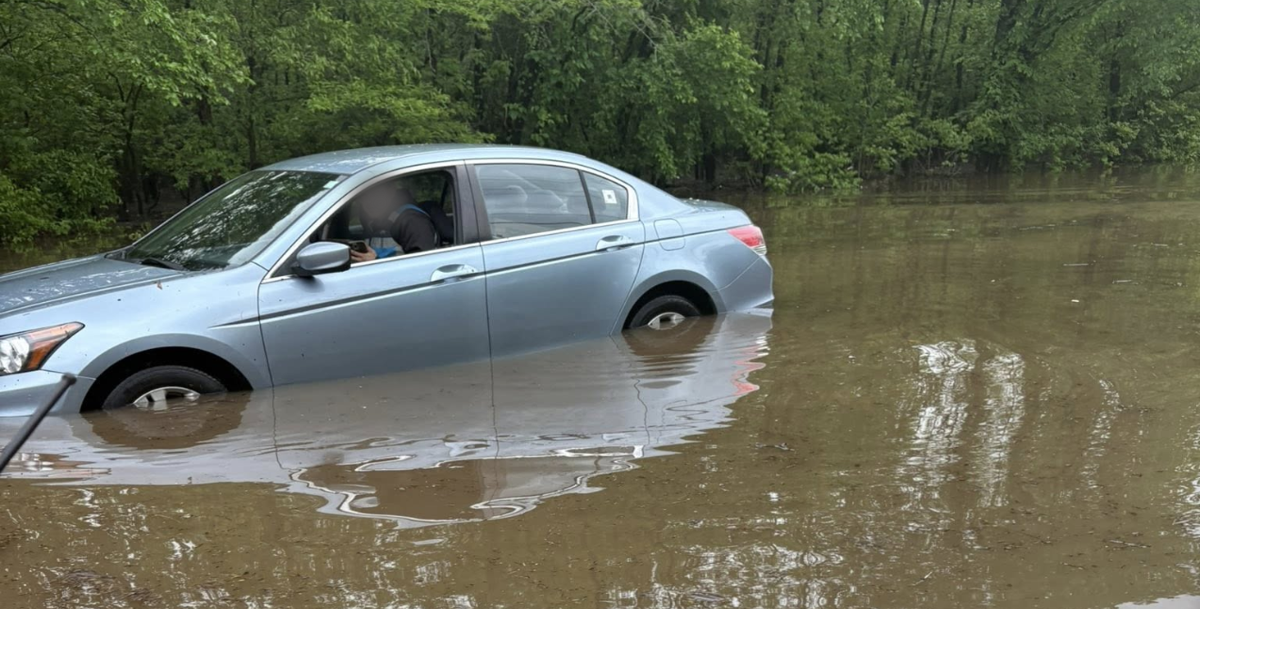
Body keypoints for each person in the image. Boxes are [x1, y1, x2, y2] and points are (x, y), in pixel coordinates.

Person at [348, 182, 439, 263]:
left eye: (375, 195)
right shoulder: (375, 220)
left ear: (391, 191)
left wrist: (375, 263)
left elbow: (421, 268)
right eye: (363, 197)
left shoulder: (413, 222)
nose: (367, 202)